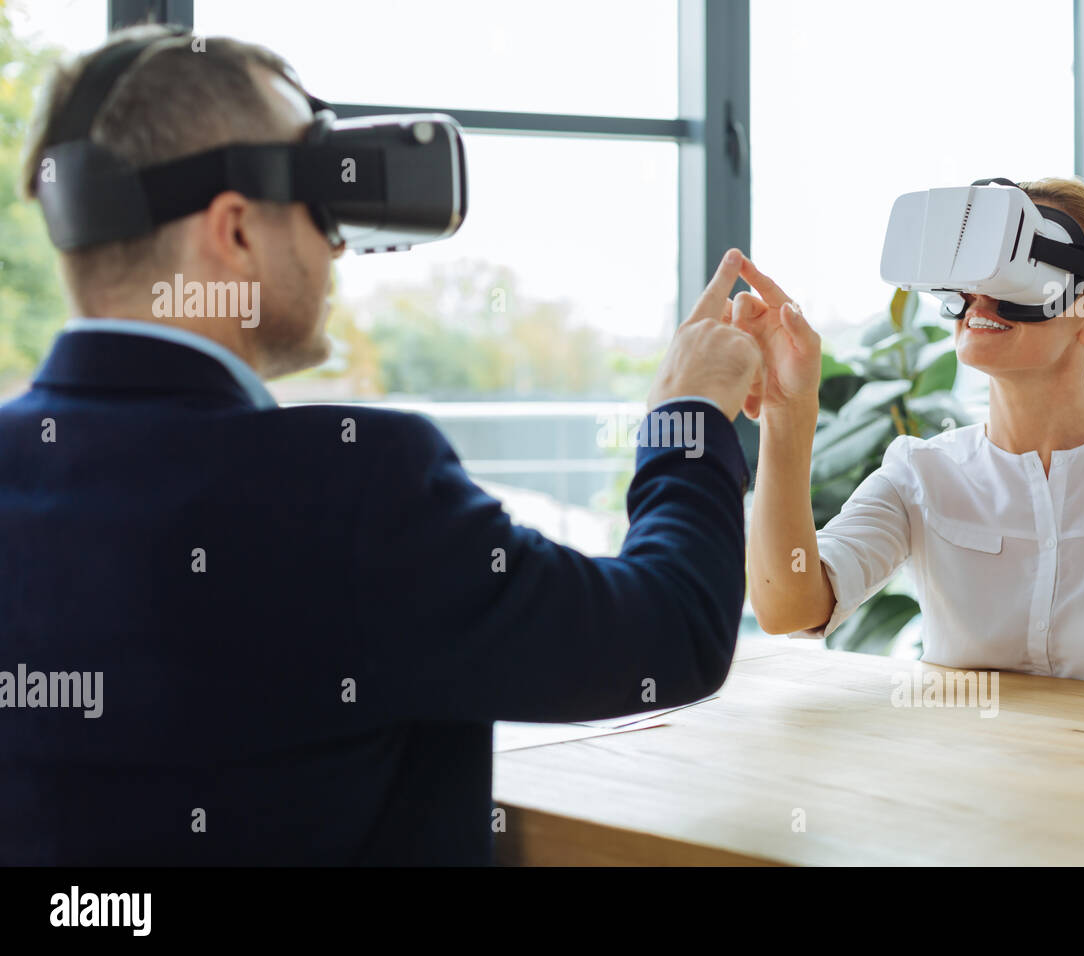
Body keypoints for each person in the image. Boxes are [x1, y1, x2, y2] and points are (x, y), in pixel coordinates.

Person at [0, 26, 763, 865]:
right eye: (319, 196)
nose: (336, 244)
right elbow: (669, 631)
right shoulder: (349, 486)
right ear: (236, 231)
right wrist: (688, 415)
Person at [742, 176, 1084, 719]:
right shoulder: (920, 473)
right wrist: (785, 414)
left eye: (1015, 276)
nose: (981, 300)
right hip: (968, 775)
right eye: (971, 277)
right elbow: (789, 606)